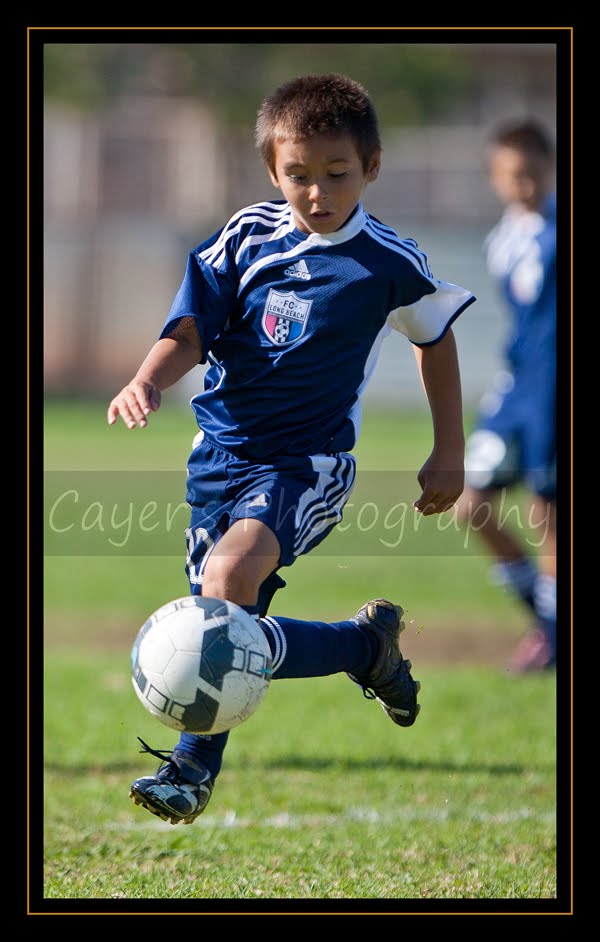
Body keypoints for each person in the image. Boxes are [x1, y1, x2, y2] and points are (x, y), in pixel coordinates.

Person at [108, 73, 475, 825]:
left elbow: (435, 341)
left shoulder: (388, 261)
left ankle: (189, 769)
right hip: (219, 458)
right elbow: (192, 328)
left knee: (227, 579)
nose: (316, 193)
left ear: (370, 166)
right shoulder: (245, 237)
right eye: (297, 176)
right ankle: (362, 647)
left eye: (335, 174)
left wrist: (450, 450)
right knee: (226, 625)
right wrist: (147, 378)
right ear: (273, 174)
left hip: (307, 463)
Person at [456, 119, 556, 673]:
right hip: (518, 390)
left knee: (549, 515)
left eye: (534, 173)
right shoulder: (504, 237)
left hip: (553, 394)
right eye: (513, 176)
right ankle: (549, 625)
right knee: (471, 504)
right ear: (495, 178)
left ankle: (551, 637)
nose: (525, 185)